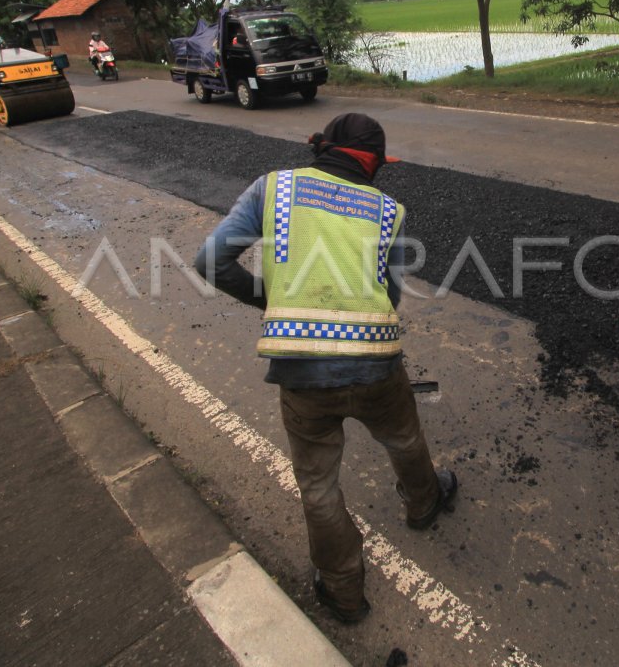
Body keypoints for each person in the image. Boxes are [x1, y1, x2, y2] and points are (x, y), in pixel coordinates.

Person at [193, 112, 458, 623]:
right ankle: (424, 504)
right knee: (402, 437)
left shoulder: (274, 189)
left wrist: (271, 300)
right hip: (377, 361)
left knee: (318, 484)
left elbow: (210, 261)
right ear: (374, 164)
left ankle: (342, 592)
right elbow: (392, 294)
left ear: (324, 149)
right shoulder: (388, 210)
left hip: (301, 372)